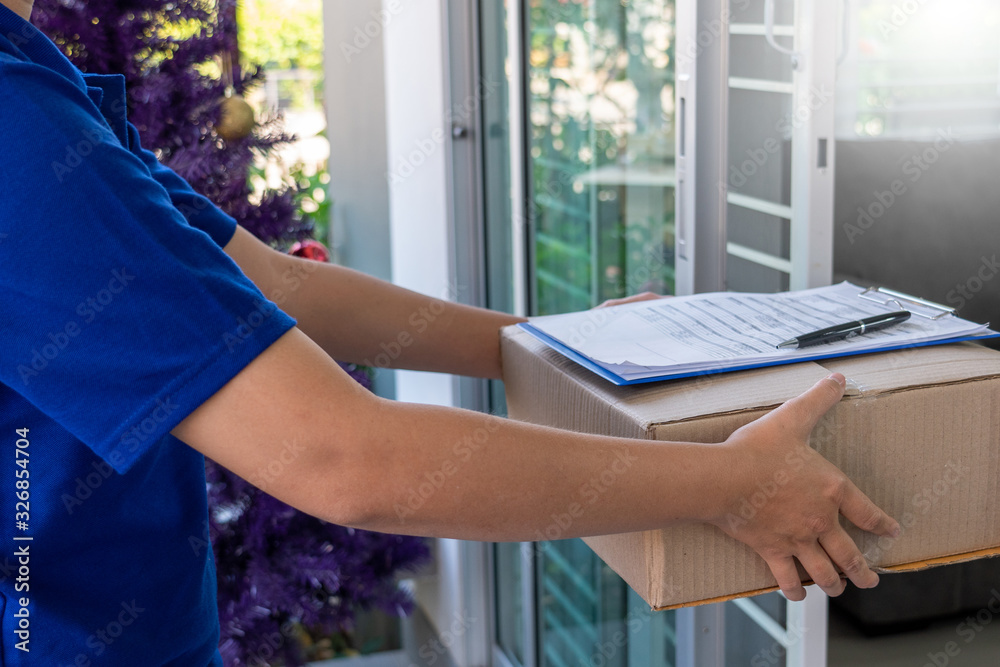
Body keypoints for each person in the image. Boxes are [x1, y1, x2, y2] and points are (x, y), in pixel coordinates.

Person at [0, 0, 900, 664]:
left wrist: (547, 341)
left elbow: (275, 281)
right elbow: (343, 457)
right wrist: (731, 484)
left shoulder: (43, 91)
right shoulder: (16, 128)